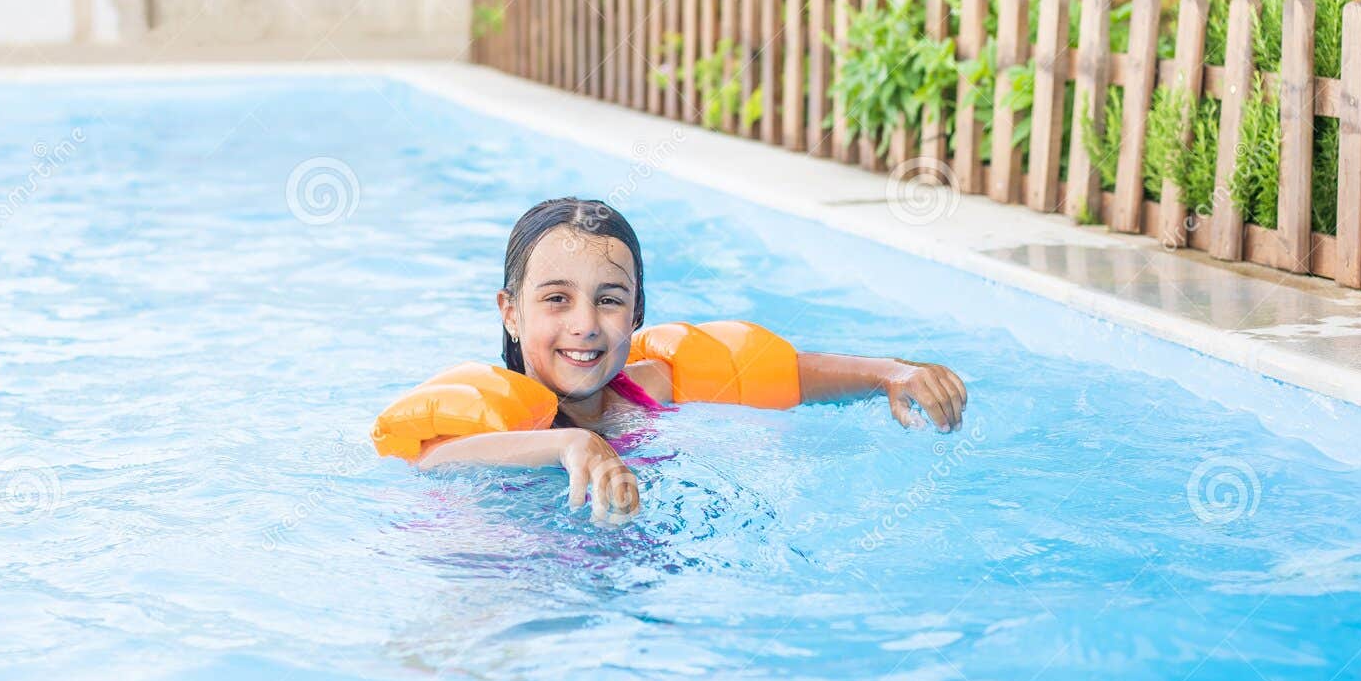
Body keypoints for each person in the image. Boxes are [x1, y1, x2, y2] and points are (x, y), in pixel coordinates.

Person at [412, 197, 968, 522]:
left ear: (637, 315)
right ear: (511, 312)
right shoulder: (502, 419)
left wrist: (890, 374)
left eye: (609, 300)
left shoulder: (650, 386)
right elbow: (435, 455)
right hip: (523, 555)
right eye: (556, 299)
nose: (584, 323)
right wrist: (569, 442)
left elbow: (785, 373)